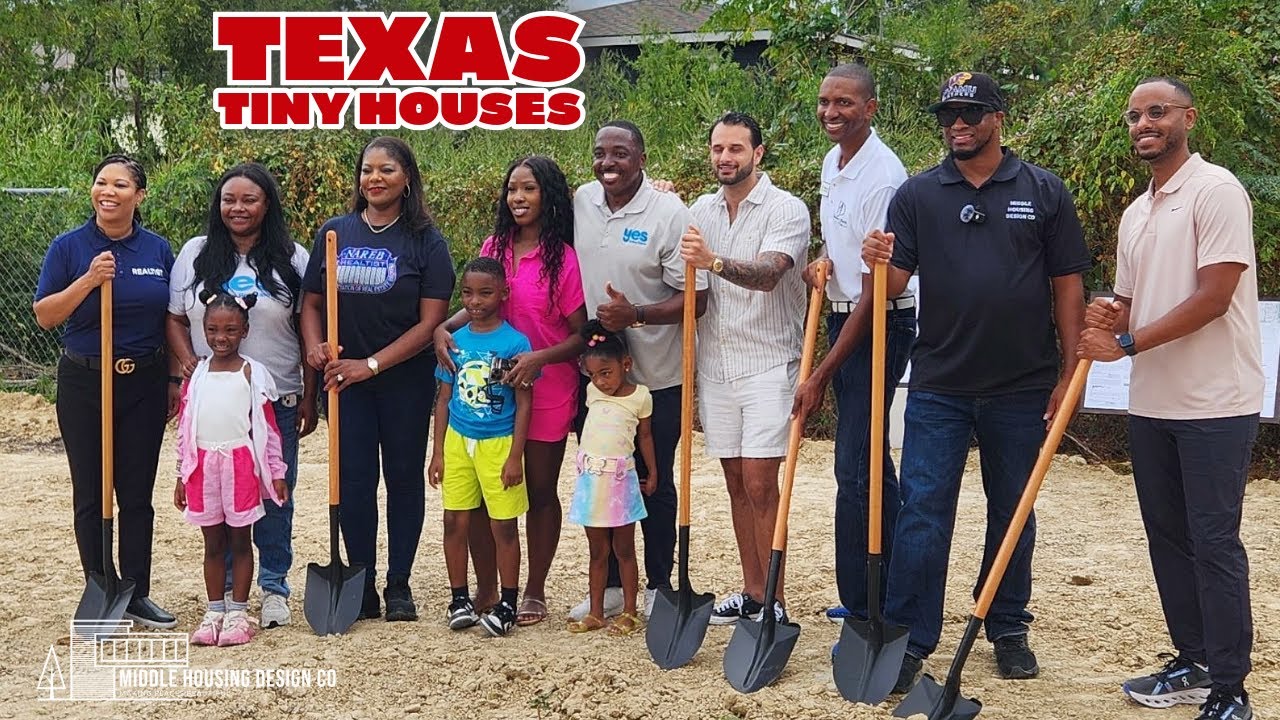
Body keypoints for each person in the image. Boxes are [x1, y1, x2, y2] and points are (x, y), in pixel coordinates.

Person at [861, 71, 1089, 690]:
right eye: (948, 115)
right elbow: (895, 285)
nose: (956, 124)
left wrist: (1070, 372)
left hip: (1022, 384)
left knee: (1013, 510)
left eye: (970, 113)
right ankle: (910, 638)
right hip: (938, 383)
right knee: (923, 513)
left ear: (998, 118)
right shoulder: (916, 194)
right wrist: (875, 266)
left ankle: (1007, 626)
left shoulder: (1044, 191)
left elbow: (1067, 283)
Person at [1079, 76, 1262, 720]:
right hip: (1152, 402)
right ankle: (1192, 661)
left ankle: (1231, 690)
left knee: (1215, 542)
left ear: (1188, 116)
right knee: (1169, 540)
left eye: (1156, 112)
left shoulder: (1217, 192)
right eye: (1133, 116)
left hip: (1216, 402)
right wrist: (1108, 314)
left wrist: (1125, 344)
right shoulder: (1138, 211)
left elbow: (1214, 297)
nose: (1142, 124)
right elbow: (1130, 297)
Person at [300, 136, 455, 622]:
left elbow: (431, 323)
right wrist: (315, 346)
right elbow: (311, 303)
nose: (375, 178)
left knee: (403, 480)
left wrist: (370, 365)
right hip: (344, 385)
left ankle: (399, 584)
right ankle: (361, 579)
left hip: (402, 382)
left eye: (386, 170)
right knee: (354, 482)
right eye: (367, 170)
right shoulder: (335, 232)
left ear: (407, 178)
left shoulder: (427, 241)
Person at [433, 155, 585, 626]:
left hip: (547, 390)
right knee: (479, 494)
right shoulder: (493, 247)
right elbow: (478, 306)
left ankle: (534, 590)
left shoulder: (563, 257)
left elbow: (581, 335)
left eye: (529, 190)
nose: (518, 198)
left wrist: (539, 358)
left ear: (548, 196)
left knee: (537, 491)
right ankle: (486, 586)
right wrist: (444, 327)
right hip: (486, 397)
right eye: (512, 190)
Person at [790, 63, 916, 630]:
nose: (830, 113)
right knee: (863, 465)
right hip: (845, 314)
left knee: (857, 465)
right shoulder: (832, 162)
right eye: (824, 102)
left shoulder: (884, 177)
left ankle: (875, 598)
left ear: (870, 108)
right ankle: (872, 588)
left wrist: (820, 372)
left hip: (880, 321)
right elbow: (841, 247)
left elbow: (877, 289)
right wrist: (823, 262)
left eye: (844, 103)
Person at [569, 120, 708, 621]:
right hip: (600, 383)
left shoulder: (669, 212)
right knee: (604, 475)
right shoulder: (583, 200)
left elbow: (700, 299)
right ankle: (608, 588)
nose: (608, 163)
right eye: (600, 153)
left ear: (643, 159)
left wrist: (639, 315)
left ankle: (657, 584)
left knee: (651, 477)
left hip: (657, 378)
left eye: (621, 154)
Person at [167, 162, 315, 629]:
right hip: (213, 404)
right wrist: (185, 366)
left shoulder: (293, 258)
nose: (238, 208)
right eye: (229, 199)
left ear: (267, 204)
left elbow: (308, 327)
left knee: (273, 496)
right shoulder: (195, 255)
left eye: (249, 199)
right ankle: (229, 595)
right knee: (220, 496)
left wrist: (310, 396)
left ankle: (273, 588)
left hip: (276, 402)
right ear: (218, 205)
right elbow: (174, 318)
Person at [33, 154, 178, 629]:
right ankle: (100, 583)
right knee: (92, 492)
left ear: (140, 195)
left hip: (144, 381)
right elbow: (47, 314)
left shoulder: (158, 251)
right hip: (85, 381)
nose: (108, 192)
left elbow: (171, 320)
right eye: (101, 183)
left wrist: (175, 379)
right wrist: (90, 280)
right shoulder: (69, 247)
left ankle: (135, 591)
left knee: (136, 494)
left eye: (120, 184)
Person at [678, 112, 810, 625]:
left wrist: (712, 261)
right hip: (715, 362)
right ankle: (754, 593)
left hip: (769, 362)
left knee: (760, 482)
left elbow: (770, 275)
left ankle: (775, 599)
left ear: (758, 154)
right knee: (735, 481)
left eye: (736, 149)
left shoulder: (786, 209)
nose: (725, 158)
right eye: (717, 149)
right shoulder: (700, 210)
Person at [174, 290, 289, 647]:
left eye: (229, 330)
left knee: (241, 541)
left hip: (239, 467)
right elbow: (185, 426)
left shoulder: (253, 374)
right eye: (212, 330)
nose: (220, 338)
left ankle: (238, 612)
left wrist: (276, 471)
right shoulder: (197, 374)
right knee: (212, 543)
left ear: (245, 331)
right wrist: (181, 474)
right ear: (203, 330)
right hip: (203, 468)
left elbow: (268, 430)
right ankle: (214, 611)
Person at [429, 257, 532, 637]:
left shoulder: (515, 342)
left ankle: (507, 602)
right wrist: (438, 452)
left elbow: (523, 403)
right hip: (458, 441)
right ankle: (459, 598)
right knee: (454, 520)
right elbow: (443, 399)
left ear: (503, 294)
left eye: (486, 293)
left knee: (503, 525)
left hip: (498, 444)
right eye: (468, 293)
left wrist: (515, 456)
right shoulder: (454, 343)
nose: (475, 301)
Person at [565, 320, 656, 636]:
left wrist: (653, 472)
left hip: (621, 484)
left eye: (607, 373)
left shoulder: (640, 397)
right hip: (591, 482)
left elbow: (645, 438)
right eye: (594, 375)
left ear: (626, 365)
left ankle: (630, 611)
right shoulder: (591, 392)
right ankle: (596, 612)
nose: (601, 381)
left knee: (624, 549)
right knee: (597, 552)